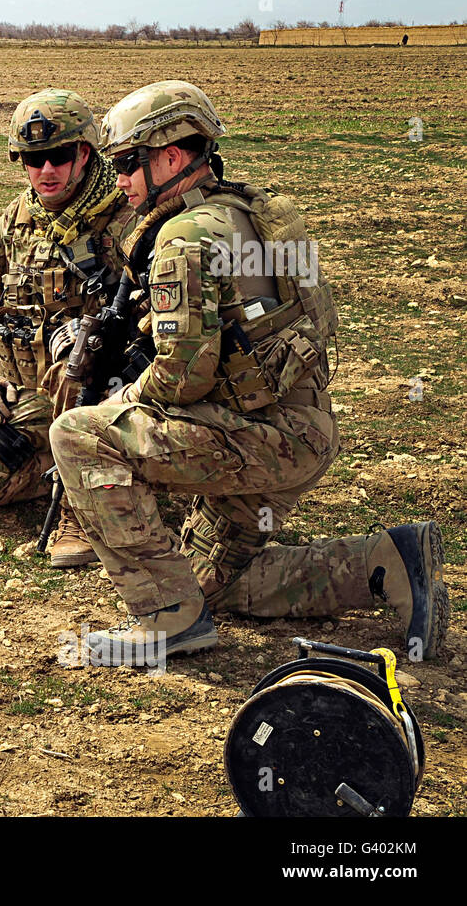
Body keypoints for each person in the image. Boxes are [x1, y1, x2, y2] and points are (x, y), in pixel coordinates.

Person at [48, 80, 447, 664]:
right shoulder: (255, 212)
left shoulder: (184, 237)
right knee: (218, 582)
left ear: (172, 157)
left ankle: (166, 621)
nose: (123, 181)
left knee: (78, 436)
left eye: (129, 164)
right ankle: (387, 563)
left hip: (266, 439)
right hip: (301, 426)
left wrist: (122, 401)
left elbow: (182, 380)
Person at [0, 88, 137, 568]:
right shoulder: (12, 225)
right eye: (34, 159)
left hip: (112, 403)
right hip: (32, 402)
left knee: (86, 369)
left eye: (58, 156)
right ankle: (69, 468)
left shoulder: (128, 221)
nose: (45, 171)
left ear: (85, 153)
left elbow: (167, 320)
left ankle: (85, 506)